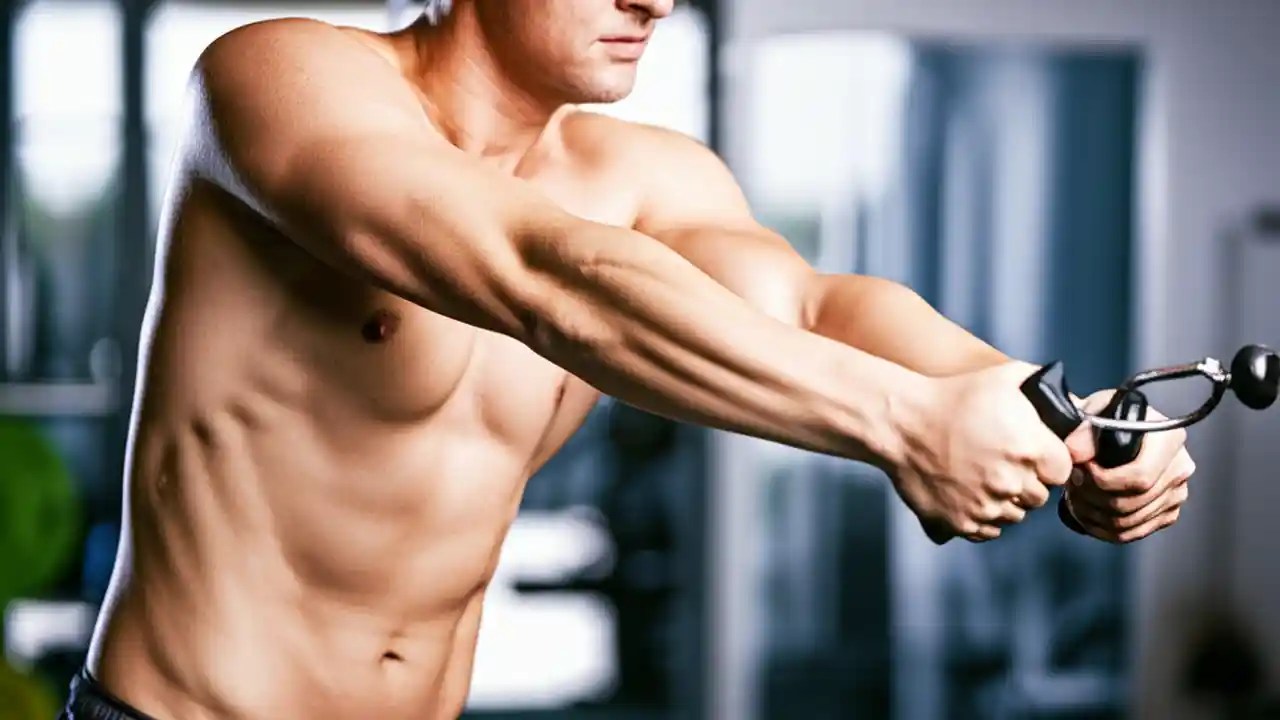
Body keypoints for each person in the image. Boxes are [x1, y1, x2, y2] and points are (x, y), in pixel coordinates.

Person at [65, 1, 1196, 718]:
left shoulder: (647, 176)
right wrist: (902, 423)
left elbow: (811, 305)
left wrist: (1054, 415)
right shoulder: (279, 75)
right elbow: (539, 275)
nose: (652, 1)